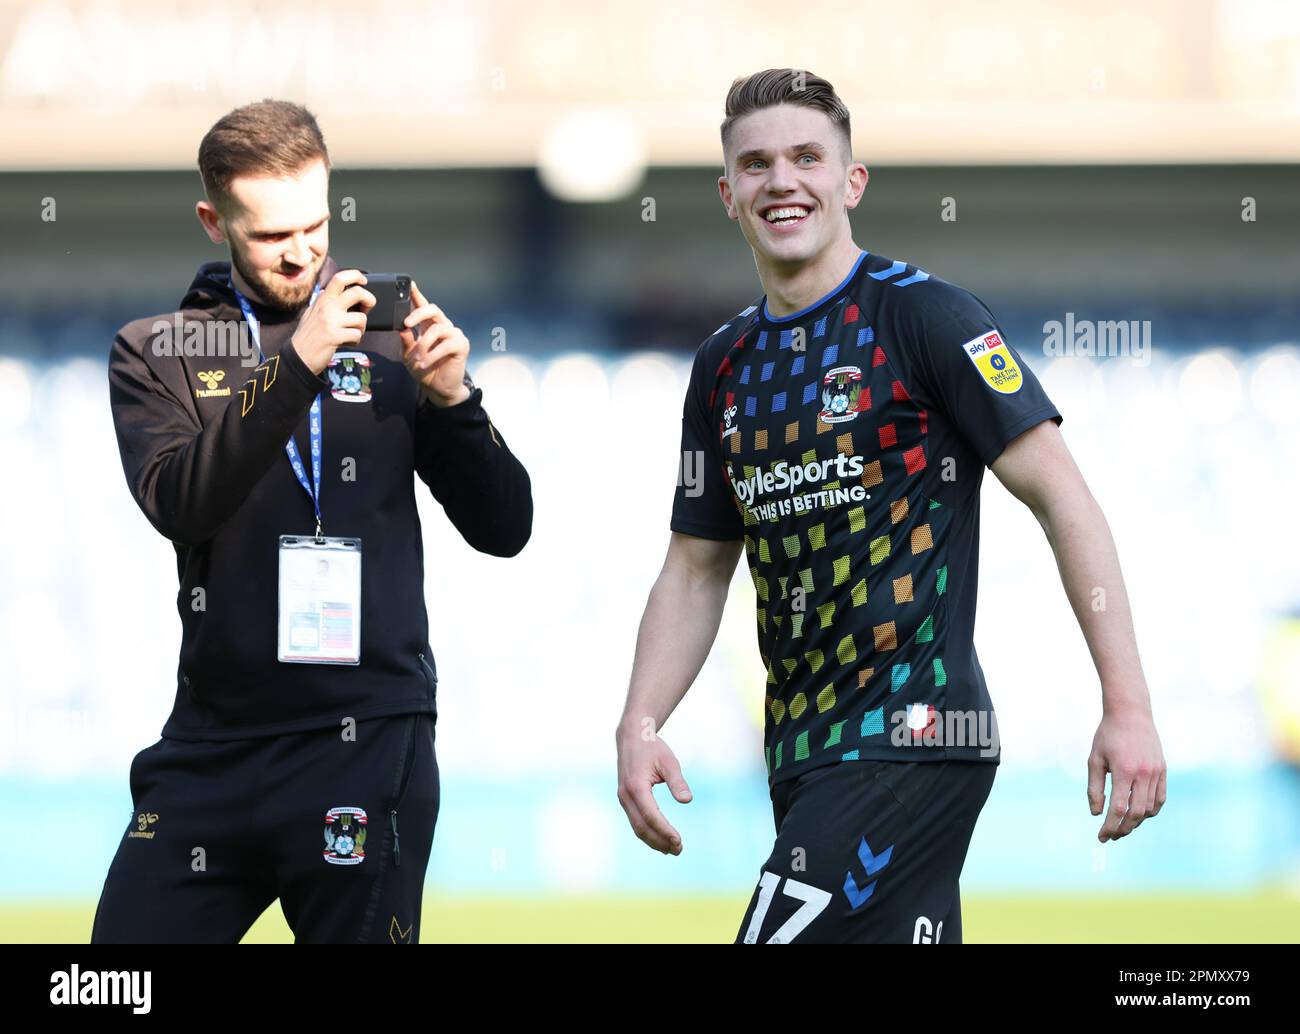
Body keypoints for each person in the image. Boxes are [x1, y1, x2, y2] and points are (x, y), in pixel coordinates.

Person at [614, 69, 1165, 944]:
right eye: (756, 164)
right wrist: (640, 723)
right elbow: (694, 566)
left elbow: (1063, 495)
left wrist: (1127, 703)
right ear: (729, 193)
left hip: (916, 733)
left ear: (850, 180)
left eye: (806, 157)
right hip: (800, 756)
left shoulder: (927, 319)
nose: (782, 180)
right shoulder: (720, 366)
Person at [92, 99, 532, 943]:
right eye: (269, 236)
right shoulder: (157, 350)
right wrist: (297, 363)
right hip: (211, 747)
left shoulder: (392, 335)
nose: (301, 254)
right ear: (212, 220)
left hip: (366, 739)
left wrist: (456, 403)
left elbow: (505, 526)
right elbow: (181, 502)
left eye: (316, 225)